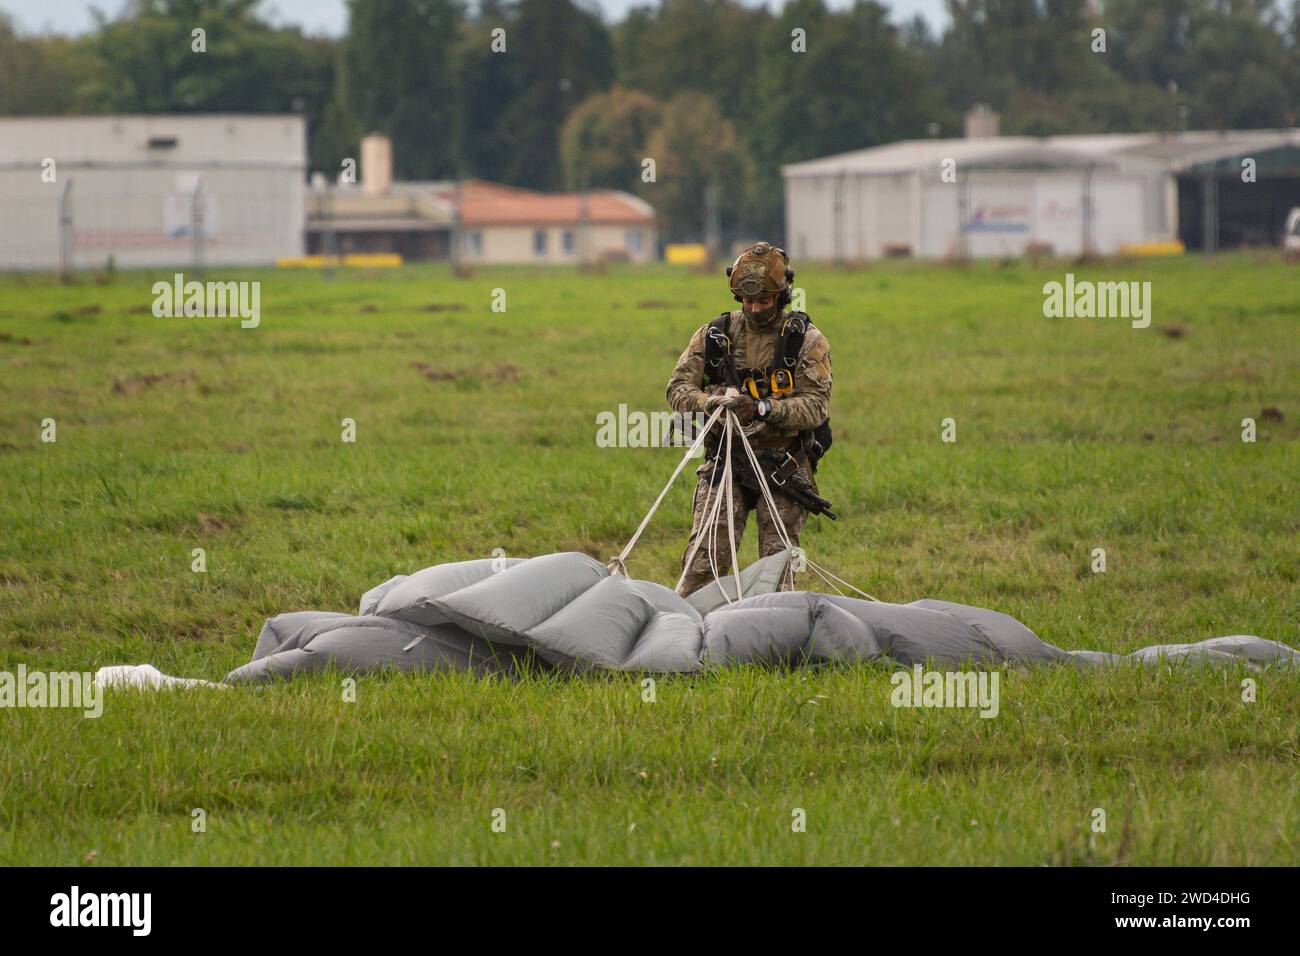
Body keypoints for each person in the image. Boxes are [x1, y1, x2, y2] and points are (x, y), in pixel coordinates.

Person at [665, 241, 833, 597]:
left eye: (763, 301)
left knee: (775, 575)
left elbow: (816, 407)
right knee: (702, 565)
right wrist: (710, 403)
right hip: (727, 460)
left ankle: (773, 647)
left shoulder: (807, 340)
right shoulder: (714, 335)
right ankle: (692, 644)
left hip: (783, 465)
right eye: (746, 300)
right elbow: (677, 390)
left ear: (783, 294)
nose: (754, 308)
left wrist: (763, 409)